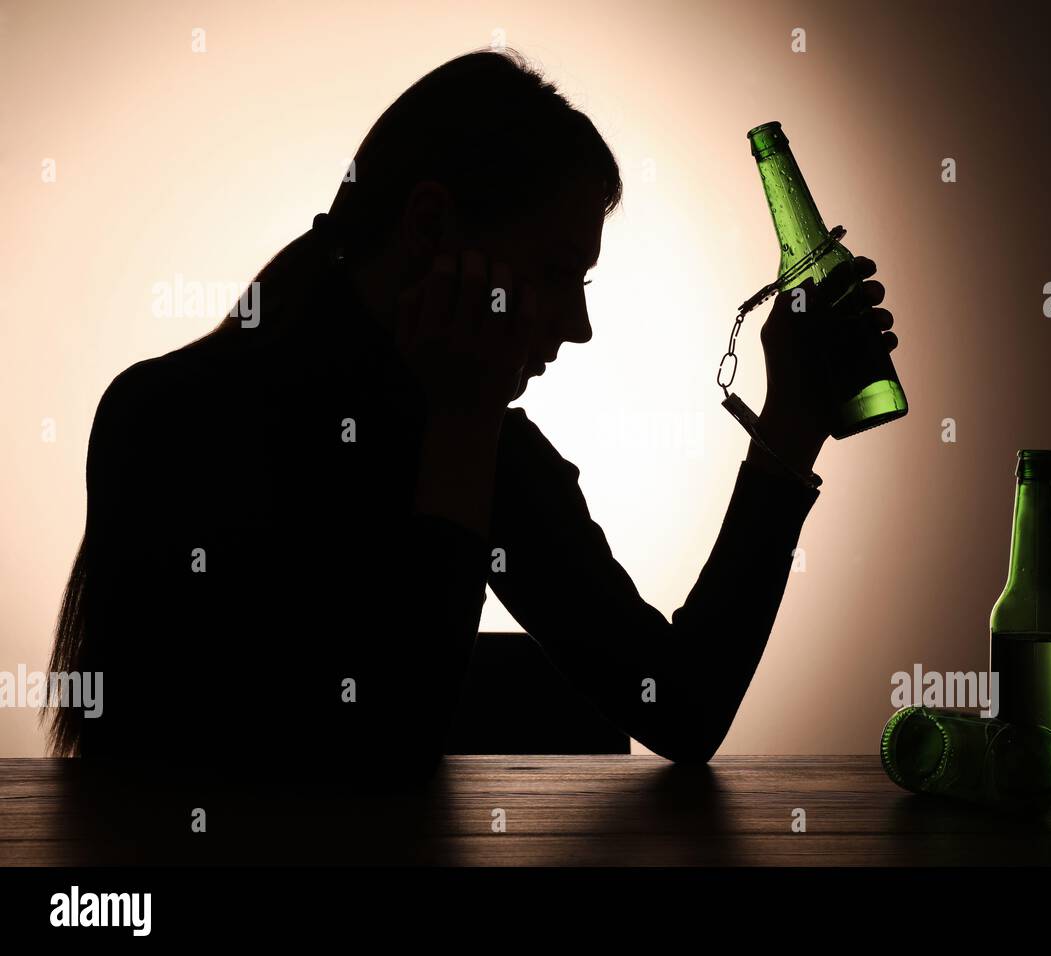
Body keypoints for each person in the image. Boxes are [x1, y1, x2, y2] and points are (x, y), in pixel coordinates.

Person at [43, 47, 898, 780]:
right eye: (560, 270)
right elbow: (371, 762)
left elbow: (678, 706)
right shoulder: (165, 424)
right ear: (428, 225)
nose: (581, 326)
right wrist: (460, 429)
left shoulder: (486, 440)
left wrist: (792, 424)